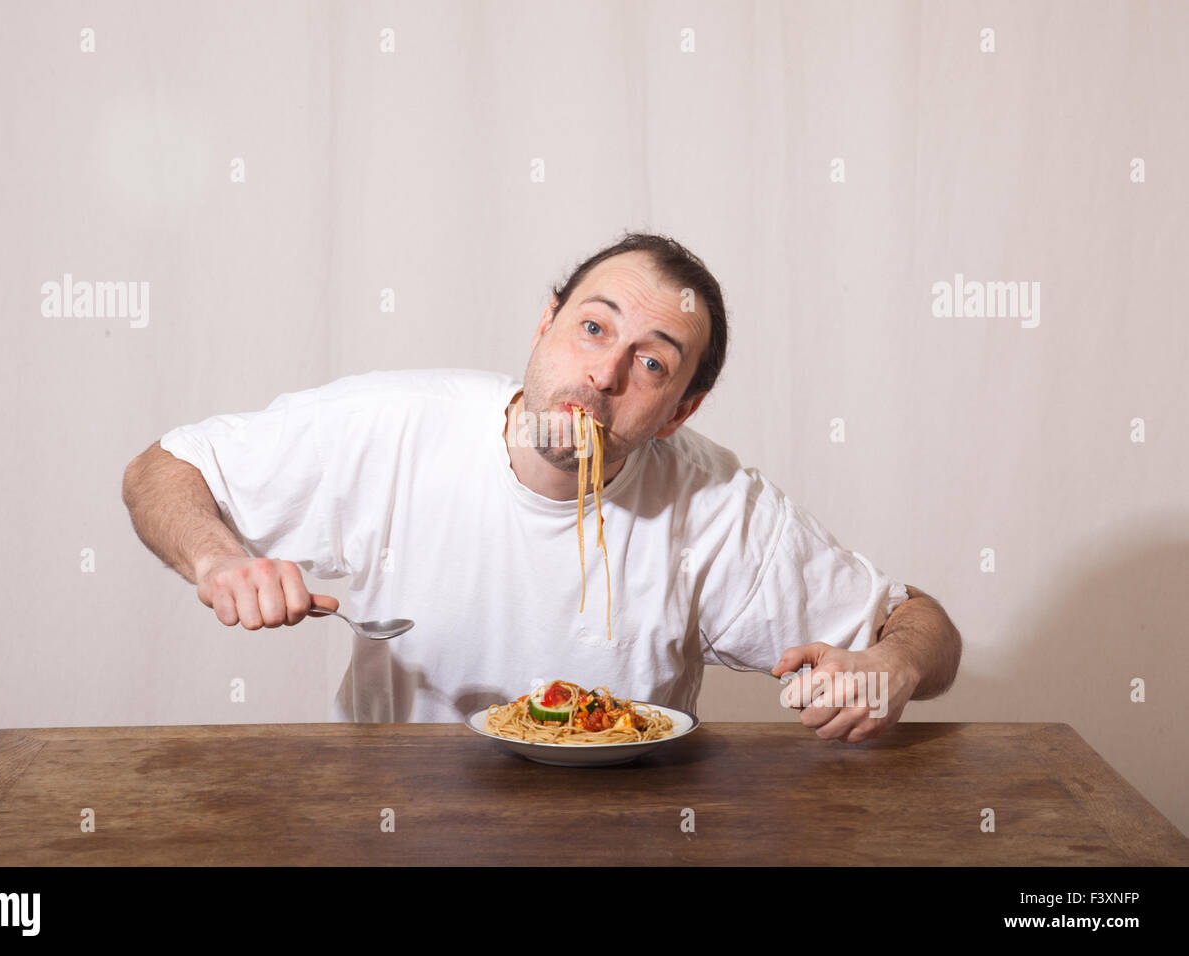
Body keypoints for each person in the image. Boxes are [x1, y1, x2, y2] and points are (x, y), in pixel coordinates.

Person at [121, 233, 961, 741]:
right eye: (592, 327)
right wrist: (218, 559)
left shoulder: (717, 507)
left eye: (652, 362)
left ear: (679, 410)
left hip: (619, 836)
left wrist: (889, 665)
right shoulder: (399, 426)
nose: (601, 374)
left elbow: (925, 627)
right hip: (387, 827)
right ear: (545, 325)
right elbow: (163, 467)